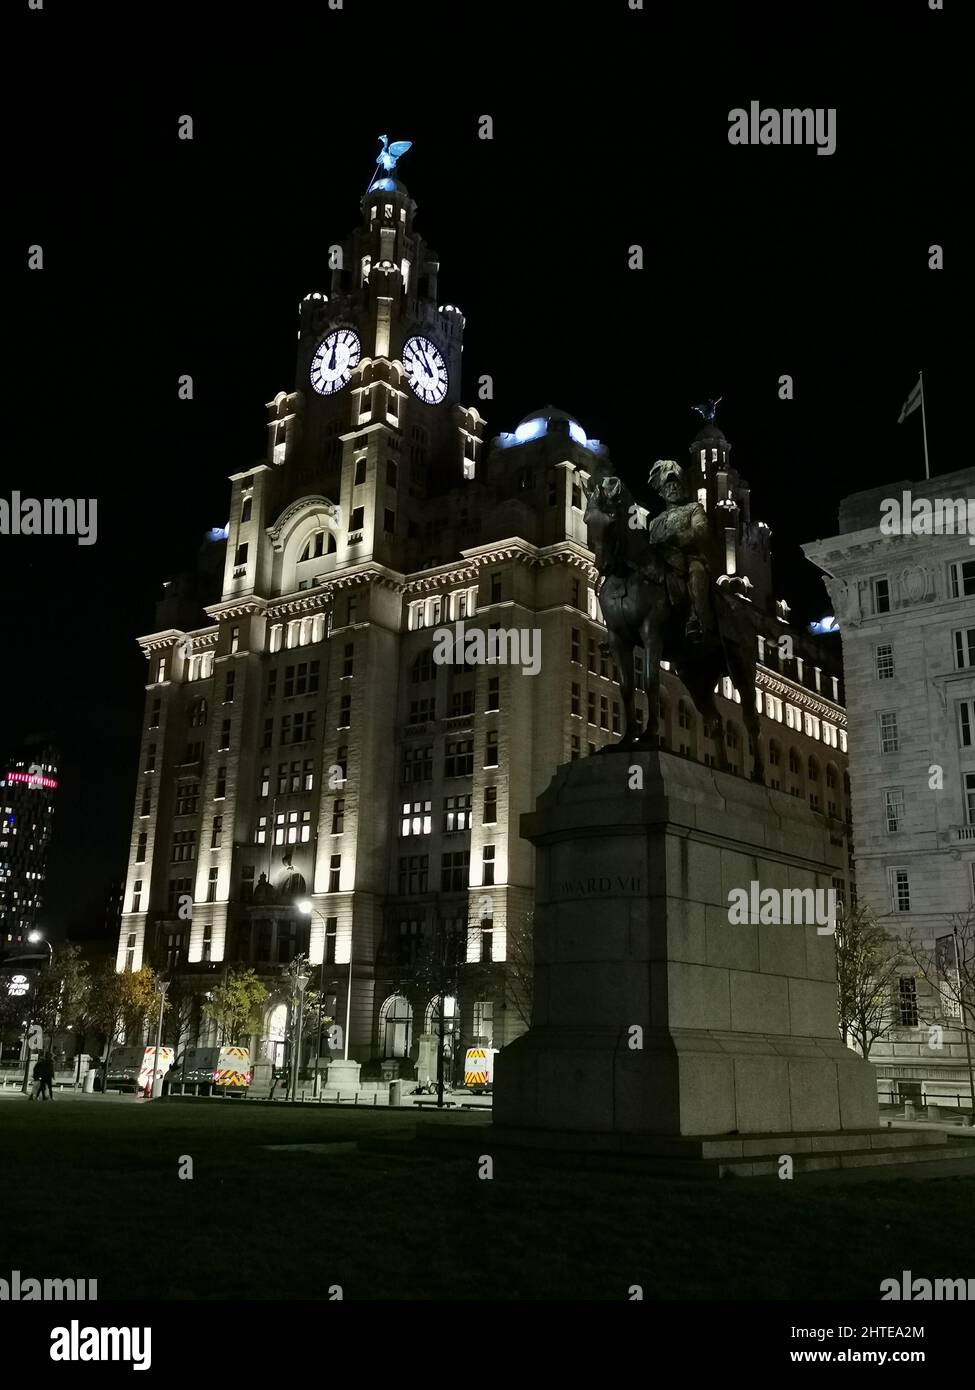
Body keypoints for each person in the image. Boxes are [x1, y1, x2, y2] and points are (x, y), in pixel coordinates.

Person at [646, 459, 716, 641]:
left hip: (689, 557)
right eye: (668, 486)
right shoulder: (655, 522)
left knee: (696, 573)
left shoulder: (694, 508)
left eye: (676, 485)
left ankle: (697, 618)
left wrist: (677, 539)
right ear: (661, 492)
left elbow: (701, 530)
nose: (673, 488)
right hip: (663, 563)